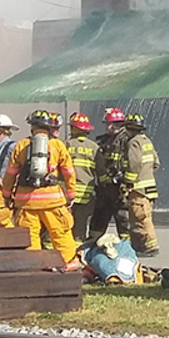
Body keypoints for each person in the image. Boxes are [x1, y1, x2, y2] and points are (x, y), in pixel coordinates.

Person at [5, 110, 81, 271]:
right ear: (49, 127)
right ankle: (68, 263)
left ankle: (35, 266)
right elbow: (69, 173)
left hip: (26, 203)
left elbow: (10, 174)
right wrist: (71, 195)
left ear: (31, 126)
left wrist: (7, 195)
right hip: (53, 202)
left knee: (30, 236)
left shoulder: (21, 145)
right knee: (60, 233)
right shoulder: (57, 145)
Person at [105, 112, 160, 256]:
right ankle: (140, 247)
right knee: (144, 216)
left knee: (140, 219)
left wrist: (128, 181)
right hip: (149, 188)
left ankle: (149, 247)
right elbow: (156, 163)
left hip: (138, 189)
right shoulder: (147, 141)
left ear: (129, 128)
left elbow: (133, 164)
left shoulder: (133, 142)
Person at [86, 108, 130, 242]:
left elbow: (130, 163)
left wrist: (124, 181)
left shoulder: (126, 140)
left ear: (117, 125)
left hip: (119, 187)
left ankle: (126, 245)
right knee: (99, 216)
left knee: (123, 218)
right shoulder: (105, 140)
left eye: (108, 124)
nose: (106, 127)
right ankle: (92, 243)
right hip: (105, 187)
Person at [66, 112, 99, 241]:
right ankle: (79, 251)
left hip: (68, 194)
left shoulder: (66, 145)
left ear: (74, 128)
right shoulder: (94, 147)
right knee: (80, 226)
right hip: (86, 194)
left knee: (65, 225)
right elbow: (101, 172)